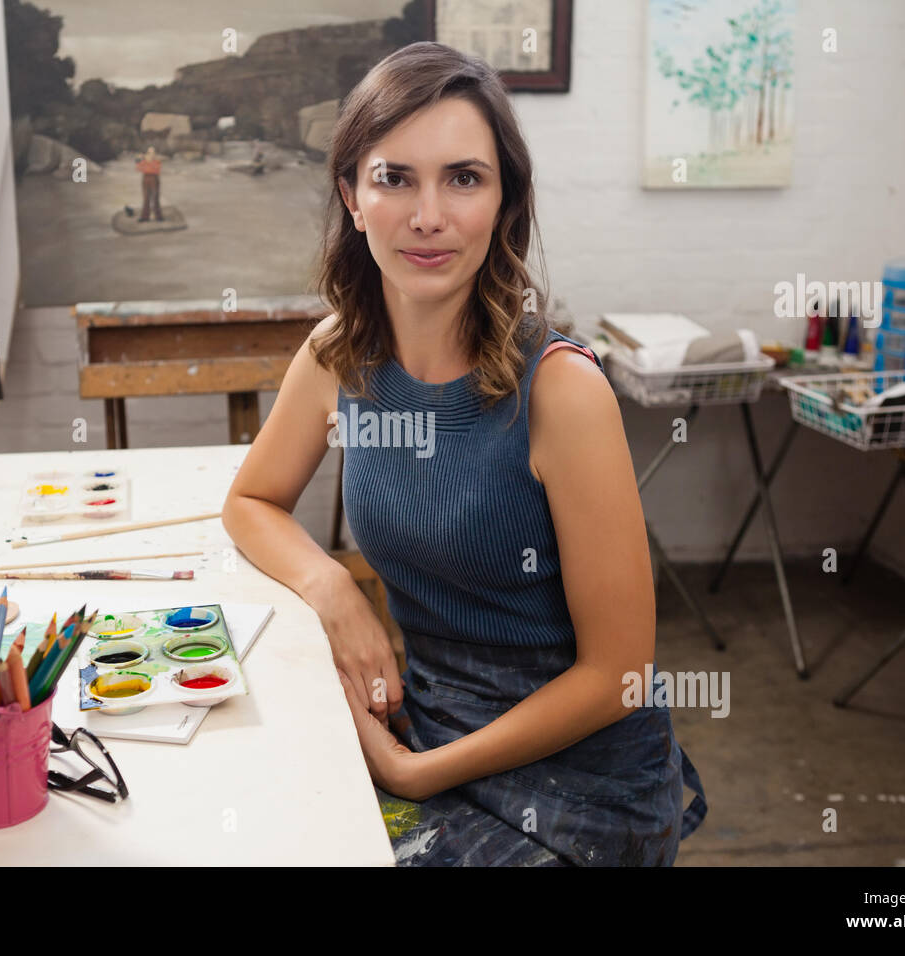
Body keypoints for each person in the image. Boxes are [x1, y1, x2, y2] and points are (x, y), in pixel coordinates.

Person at [221, 42, 706, 866]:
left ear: (505, 200)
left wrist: (415, 773)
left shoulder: (562, 390)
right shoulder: (339, 355)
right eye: (395, 178)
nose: (428, 216)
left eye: (464, 178)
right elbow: (250, 501)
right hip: (426, 719)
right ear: (352, 195)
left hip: (582, 780)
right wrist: (332, 587)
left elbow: (618, 672)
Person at [135, 145, 163, 222]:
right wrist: (138, 159)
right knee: (146, 198)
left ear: (155, 154)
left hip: (154, 180)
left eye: (153, 152)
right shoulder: (144, 161)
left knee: (155, 198)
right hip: (145, 180)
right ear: (147, 153)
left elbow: (156, 170)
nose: (151, 154)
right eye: (149, 152)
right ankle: (145, 217)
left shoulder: (157, 161)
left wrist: (148, 164)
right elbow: (138, 168)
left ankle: (158, 216)